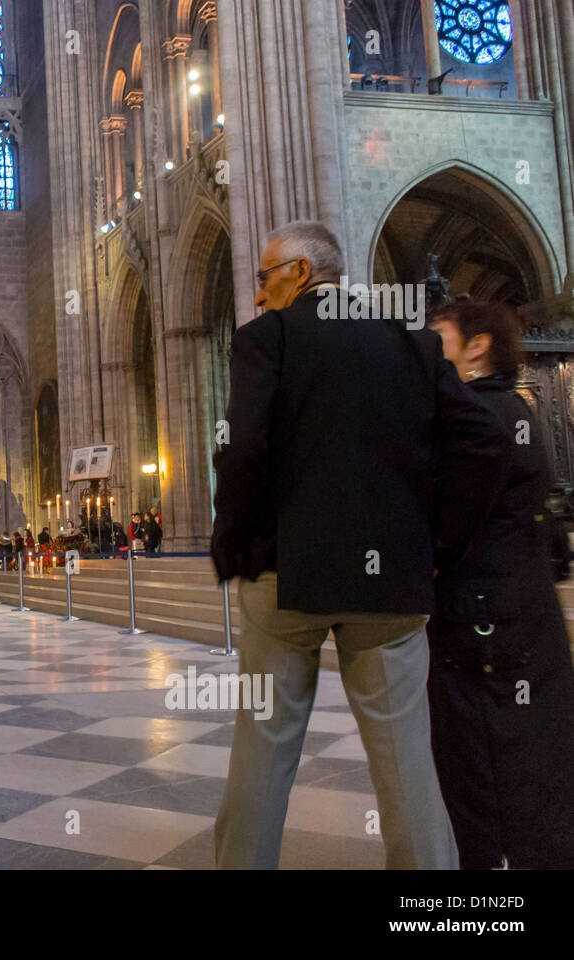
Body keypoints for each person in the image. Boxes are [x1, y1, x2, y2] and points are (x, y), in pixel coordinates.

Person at [209, 220, 510, 869]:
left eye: (264, 279)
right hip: (390, 583)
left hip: (287, 574)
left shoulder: (269, 338)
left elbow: (241, 451)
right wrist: (437, 544)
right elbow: (486, 443)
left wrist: (232, 542)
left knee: (263, 752)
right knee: (407, 764)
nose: (259, 296)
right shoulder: (410, 345)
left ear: (298, 274)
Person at [426, 301, 574, 868]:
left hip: (484, 620)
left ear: (478, 345)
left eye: (439, 336)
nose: (427, 348)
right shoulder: (514, 408)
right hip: (517, 609)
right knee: (527, 764)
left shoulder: (477, 417)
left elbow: (451, 523)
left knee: (481, 770)